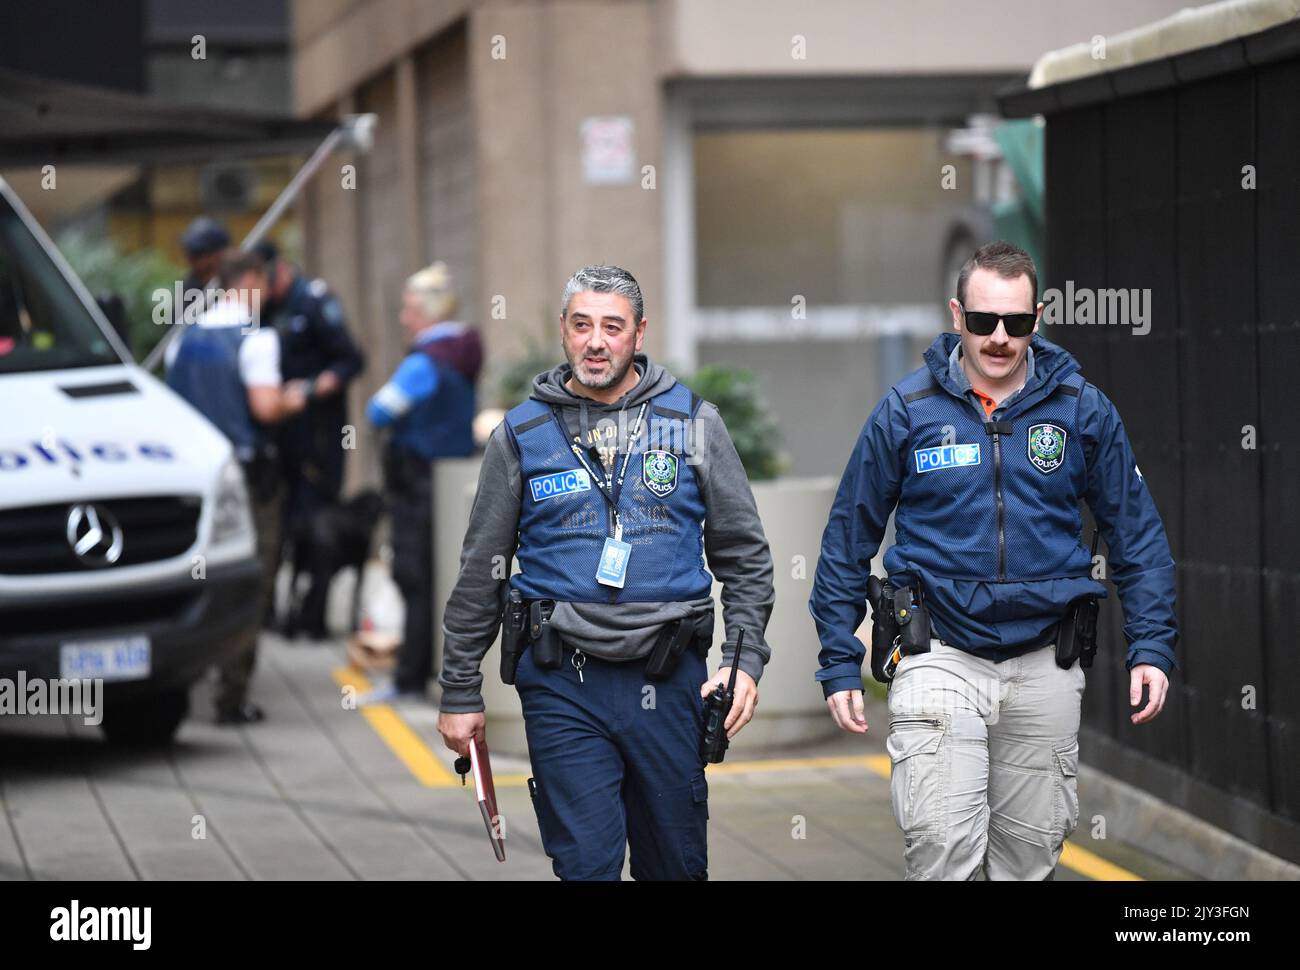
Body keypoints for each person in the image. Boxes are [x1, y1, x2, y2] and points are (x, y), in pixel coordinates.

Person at [810, 240, 1178, 880]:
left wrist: (1152, 646)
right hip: (938, 654)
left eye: (1017, 322)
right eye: (983, 321)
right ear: (957, 315)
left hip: (1046, 663)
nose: (1000, 337)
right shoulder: (906, 411)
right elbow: (848, 539)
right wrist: (839, 659)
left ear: (1039, 318)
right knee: (943, 851)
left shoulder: (1082, 411)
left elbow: (1137, 536)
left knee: (1027, 863)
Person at [436, 264, 775, 881]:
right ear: (564, 333)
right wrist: (460, 688)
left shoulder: (694, 423)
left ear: (638, 333)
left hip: (671, 679)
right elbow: (482, 569)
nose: (596, 341)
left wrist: (742, 659)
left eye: (612, 327)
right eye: (582, 325)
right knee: (586, 865)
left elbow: (744, 556)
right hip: (562, 680)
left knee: (673, 866)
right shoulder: (522, 434)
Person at [166, 249, 308, 724]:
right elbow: (265, 407)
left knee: (194, 578)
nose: (267, 294)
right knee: (251, 580)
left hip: (190, 482)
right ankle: (232, 696)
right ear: (248, 281)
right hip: (247, 480)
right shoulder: (257, 338)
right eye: (264, 284)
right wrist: (295, 398)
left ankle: (177, 686)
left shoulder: (184, 338)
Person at [365, 262, 482, 701]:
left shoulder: (425, 361)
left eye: (410, 308)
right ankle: (437, 671)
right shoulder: (464, 350)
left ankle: (409, 680)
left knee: (413, 577)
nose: (403, 317)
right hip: (448, 484)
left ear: (429, 313)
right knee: (441, 578)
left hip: (416, 485)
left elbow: (378, 411)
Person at [255, 241, 366, 637]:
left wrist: (310, 389)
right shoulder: (263, 309)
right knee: (279, 527)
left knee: (317, 530)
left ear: (278, 269)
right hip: (279, 440)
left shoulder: (314, 301)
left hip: (318, 439)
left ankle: (312, 616)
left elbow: (352, 360)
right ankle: (273, 612)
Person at [178, 216, 230, 321]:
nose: (190, 259)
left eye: (198, 253)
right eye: (189, 253)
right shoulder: (188, 288)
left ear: (220, 254)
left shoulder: (236, 284)